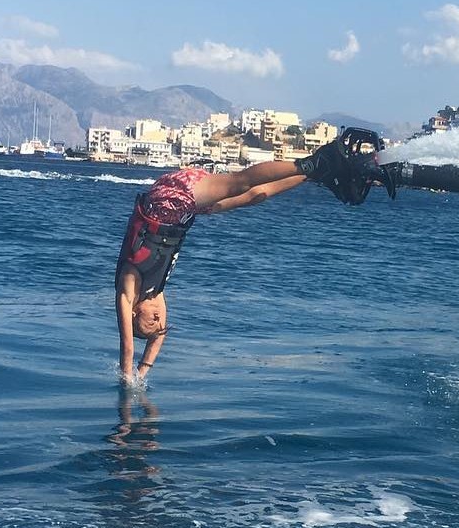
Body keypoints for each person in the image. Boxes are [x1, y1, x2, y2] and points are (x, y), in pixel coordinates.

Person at [115, 152, 335, 385]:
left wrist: (128, 379)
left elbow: (127, 345)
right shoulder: (155, 295)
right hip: (184, 212)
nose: (159, 318)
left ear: (133, 313)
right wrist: (144, 371)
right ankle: (314, 174)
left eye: (151, 322)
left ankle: (313, 162)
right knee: (253, 196)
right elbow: (159, 336)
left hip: (168, 198)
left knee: (238, 183)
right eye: (158, 323)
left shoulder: (129, 285)